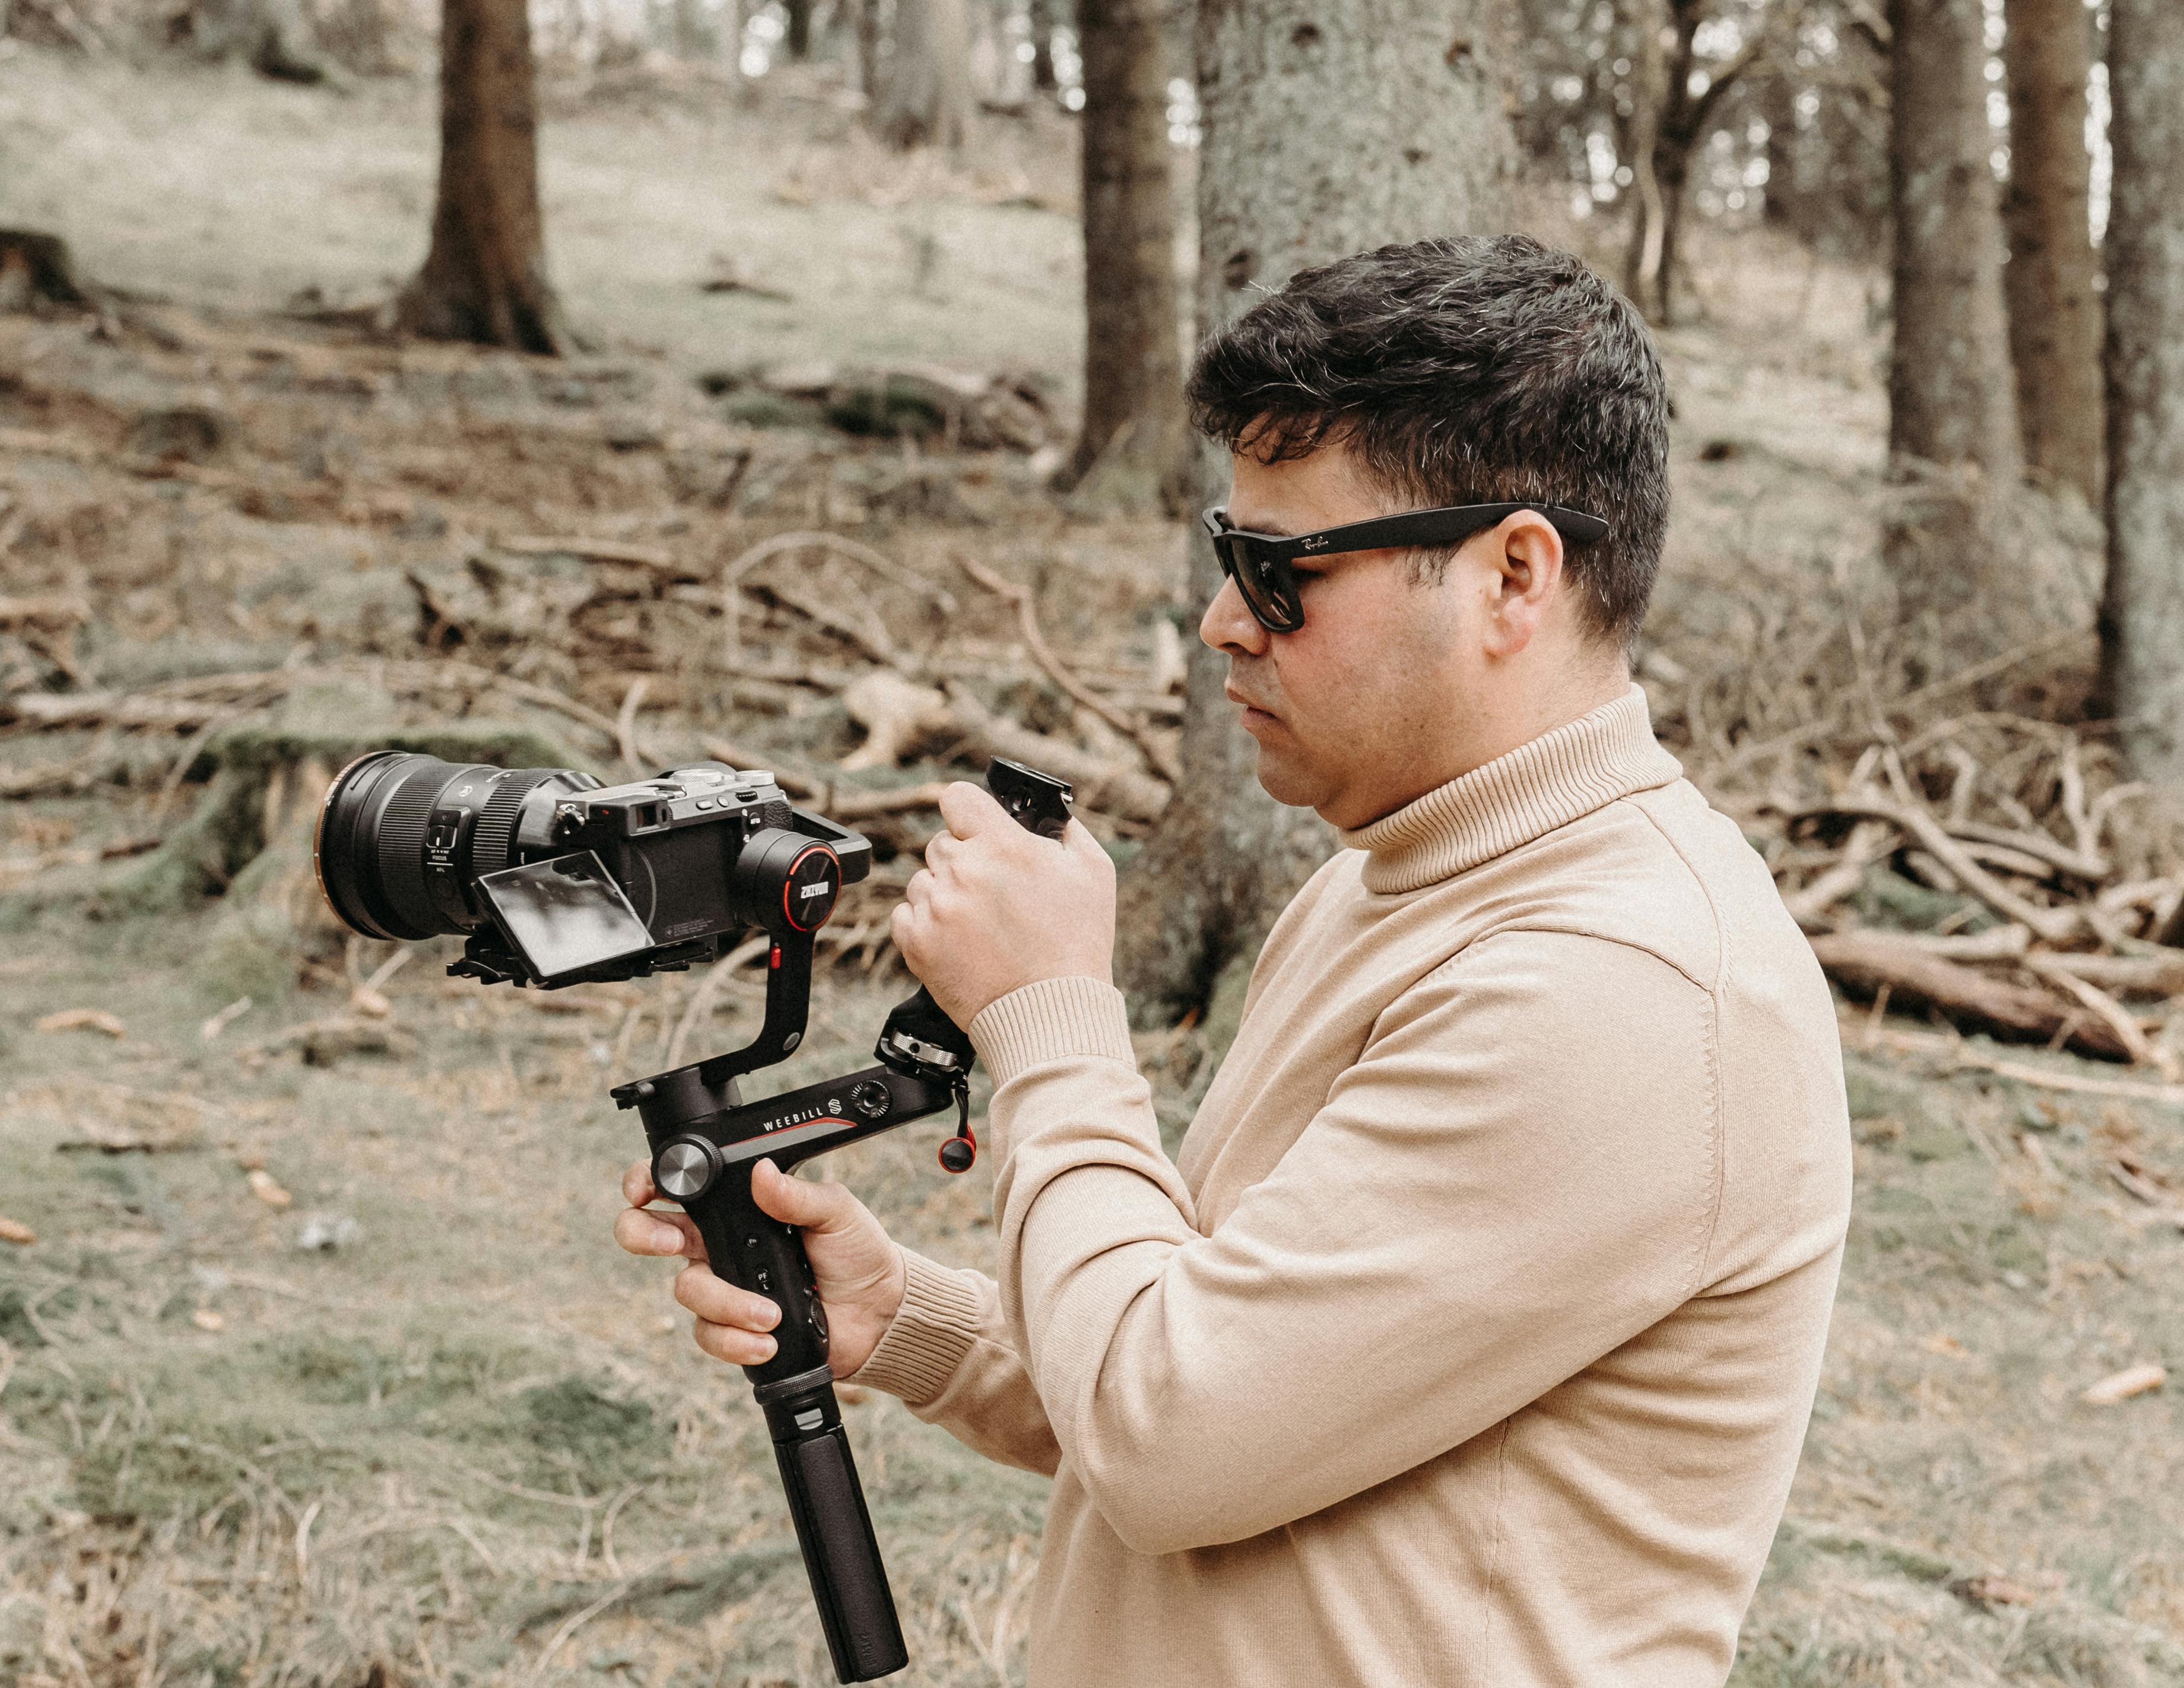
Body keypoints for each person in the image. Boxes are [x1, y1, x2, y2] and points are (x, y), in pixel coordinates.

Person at [616, 234, 1852, 1687]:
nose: (1219, 621)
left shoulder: (1627, 990)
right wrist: (913, 1323)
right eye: (1227, 553)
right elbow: (1238, 1355)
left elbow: (1169, 1438)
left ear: (1514, 576)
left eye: (1280, 572)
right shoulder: (1388, 885)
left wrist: (1048, 1020)